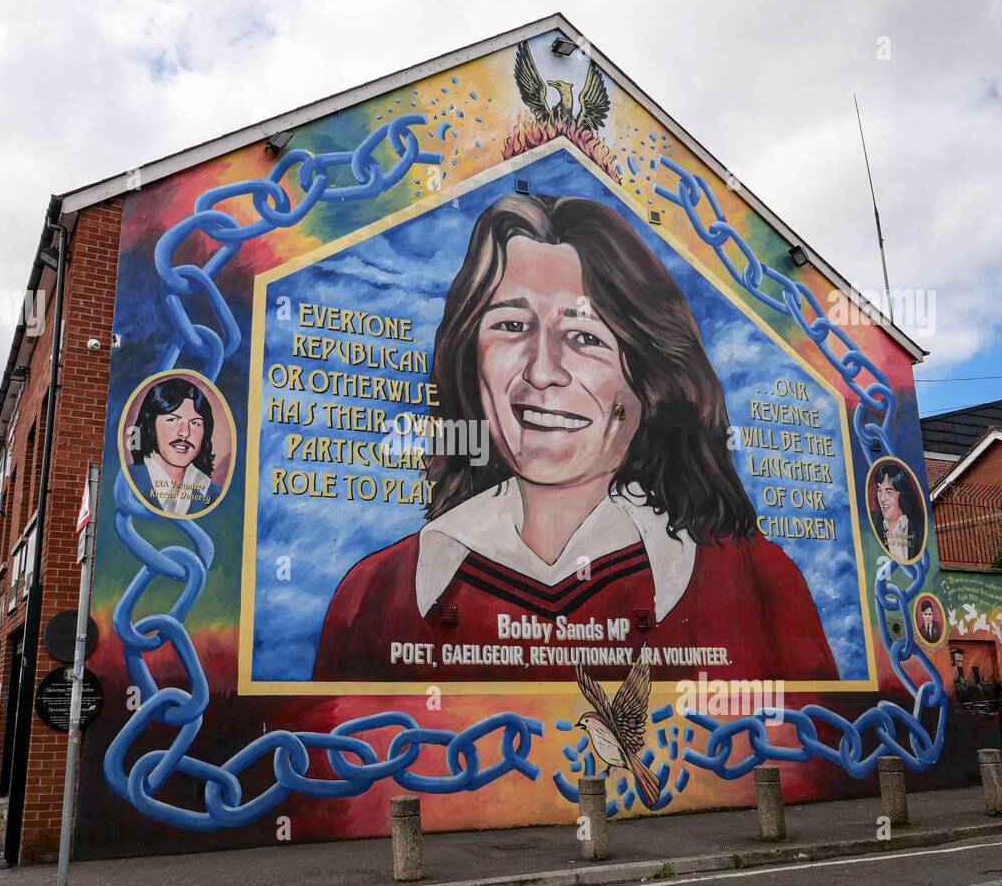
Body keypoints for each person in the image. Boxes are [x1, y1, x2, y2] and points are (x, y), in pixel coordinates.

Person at [315, 193, 837, 682]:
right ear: (469, 359)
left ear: (648, 375)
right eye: (511, 327)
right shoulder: (377, 595)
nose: (542, 372)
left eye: (585, 337)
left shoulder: (756, 584)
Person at [126, 377, 227, 516]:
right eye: (172, 419)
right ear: (150, 425)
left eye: (195, 423)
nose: (185, 432)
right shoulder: (127, 483)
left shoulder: (215, 496)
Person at [871, 461, 923, 561]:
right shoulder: (870, 524)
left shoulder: (919, 529)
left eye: (889, 492)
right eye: (879, 490)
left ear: (902, 494)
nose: (882, 498)